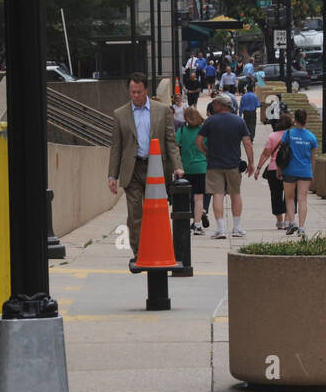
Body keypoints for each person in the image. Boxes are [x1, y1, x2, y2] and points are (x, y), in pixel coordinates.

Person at [107, 73, 183, 256]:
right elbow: (116, 147)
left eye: (138, 92)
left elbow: (170, 142)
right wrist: (112, 175)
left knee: (155, 212)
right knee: (135, 213)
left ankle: (155, 248)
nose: (135, 96)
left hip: (155, 168)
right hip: (132, 170)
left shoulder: (162, 110)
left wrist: (177, 166)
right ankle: (139, 252)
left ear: (146, 90)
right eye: (132, 92)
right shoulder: (120, 114)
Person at [196, 93, 255, 238]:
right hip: (233, 164)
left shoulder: (210, 121)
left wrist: (206, 153)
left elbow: (198, 141)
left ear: (222, 105)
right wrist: (251, 162)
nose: (213, 105)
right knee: (235, 194)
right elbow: (247, 142)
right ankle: (237, 227)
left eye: (215, 103)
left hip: (214, 164)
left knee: (218, 194)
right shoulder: (239, 121)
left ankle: (221, 229)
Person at [280, 109, 319, 236]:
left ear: (294, 120)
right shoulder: (311, 137)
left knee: (289, 197)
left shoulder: (288, 134)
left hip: (289, 170)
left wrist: (279, 169)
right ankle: (301, 227)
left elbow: (281, 153)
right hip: (305, 171)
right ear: (306, 120)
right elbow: (313, 158)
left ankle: (292, 222)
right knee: (302, 199)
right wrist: (312, 173)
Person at [256, 113, 294, 231]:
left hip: (273, 168)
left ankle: (279, 221)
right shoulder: (293, 136)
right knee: (290, 196)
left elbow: (266, 153)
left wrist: (258, 168)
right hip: (290, 169)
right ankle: (288, 220)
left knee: (276, 195)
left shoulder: (272, 136)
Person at [176, 106, 208, 235]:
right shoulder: (202, 131)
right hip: (201, 167)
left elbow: (175, 145)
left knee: (185, 197)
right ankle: (197, 224)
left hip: (185, 168)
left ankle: (185, 222)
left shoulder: (182, 131)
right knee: (199, 197)